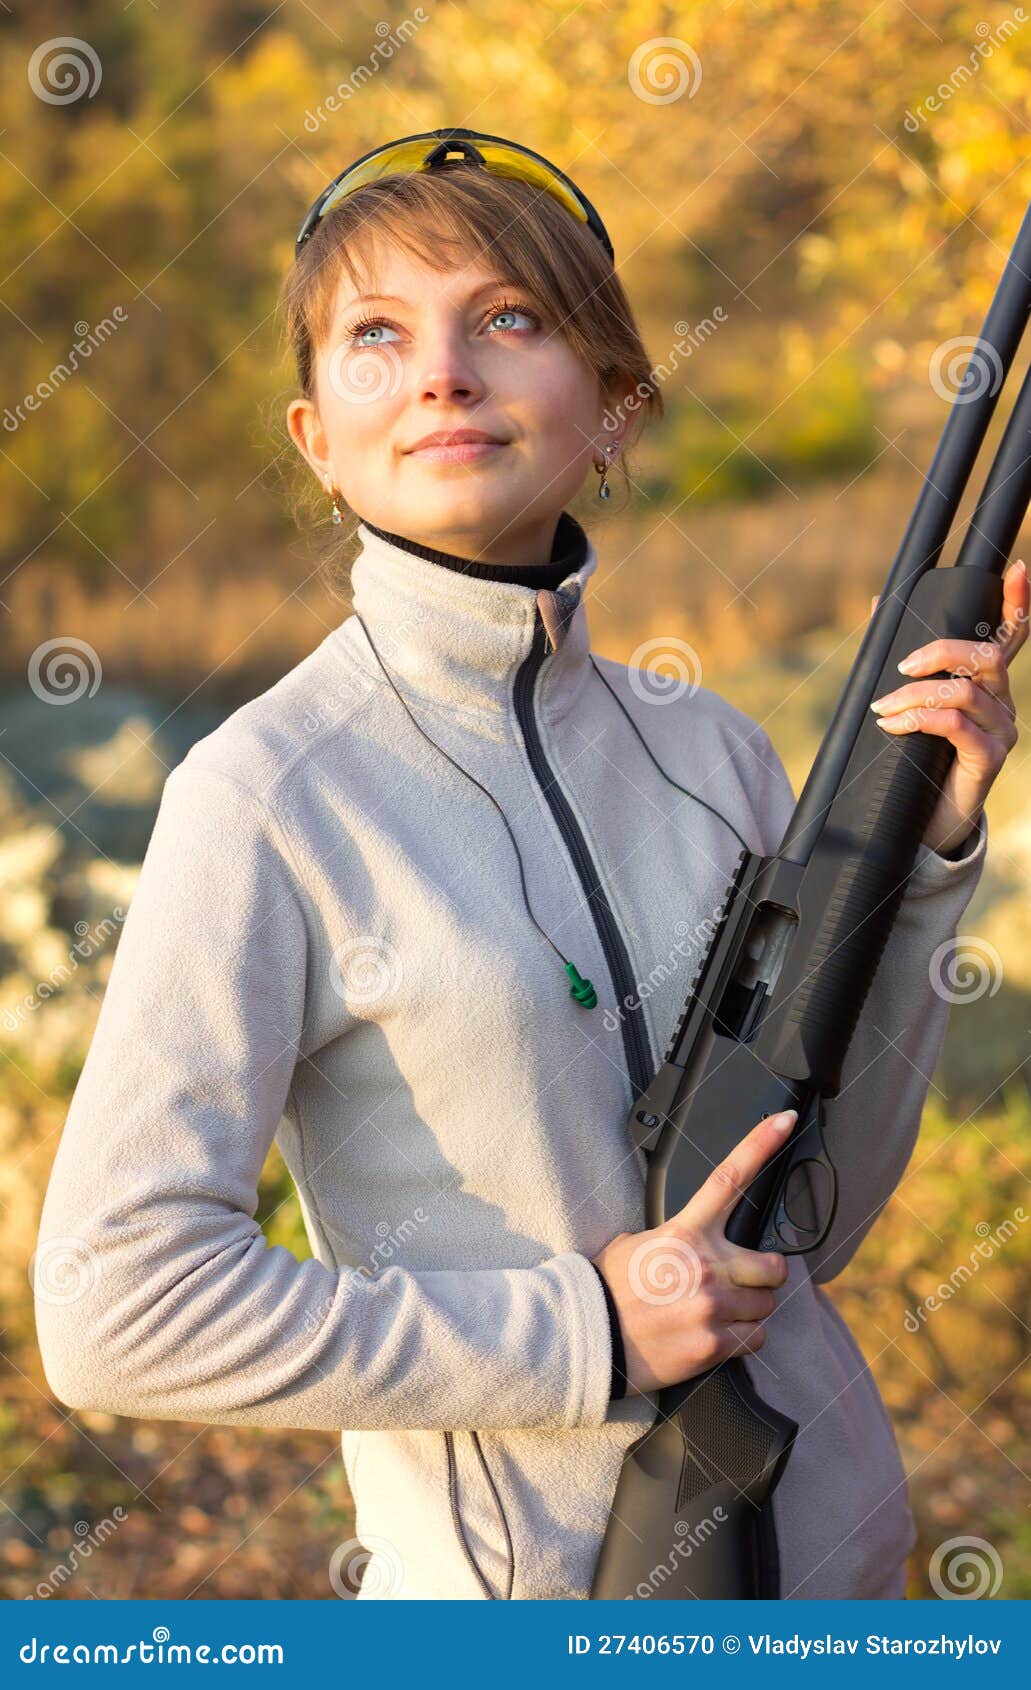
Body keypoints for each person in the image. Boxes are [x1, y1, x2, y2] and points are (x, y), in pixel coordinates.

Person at [35, 130, 1025, 1602]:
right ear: (317, 437)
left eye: (509, 319)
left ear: (618, 404)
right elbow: (116, 1306)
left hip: (831, 1591)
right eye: (378, 335)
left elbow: (815, 1216)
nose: (442, 371)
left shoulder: (719, 754)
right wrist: (585, 1334)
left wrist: (928, 854)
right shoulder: (265, 795)